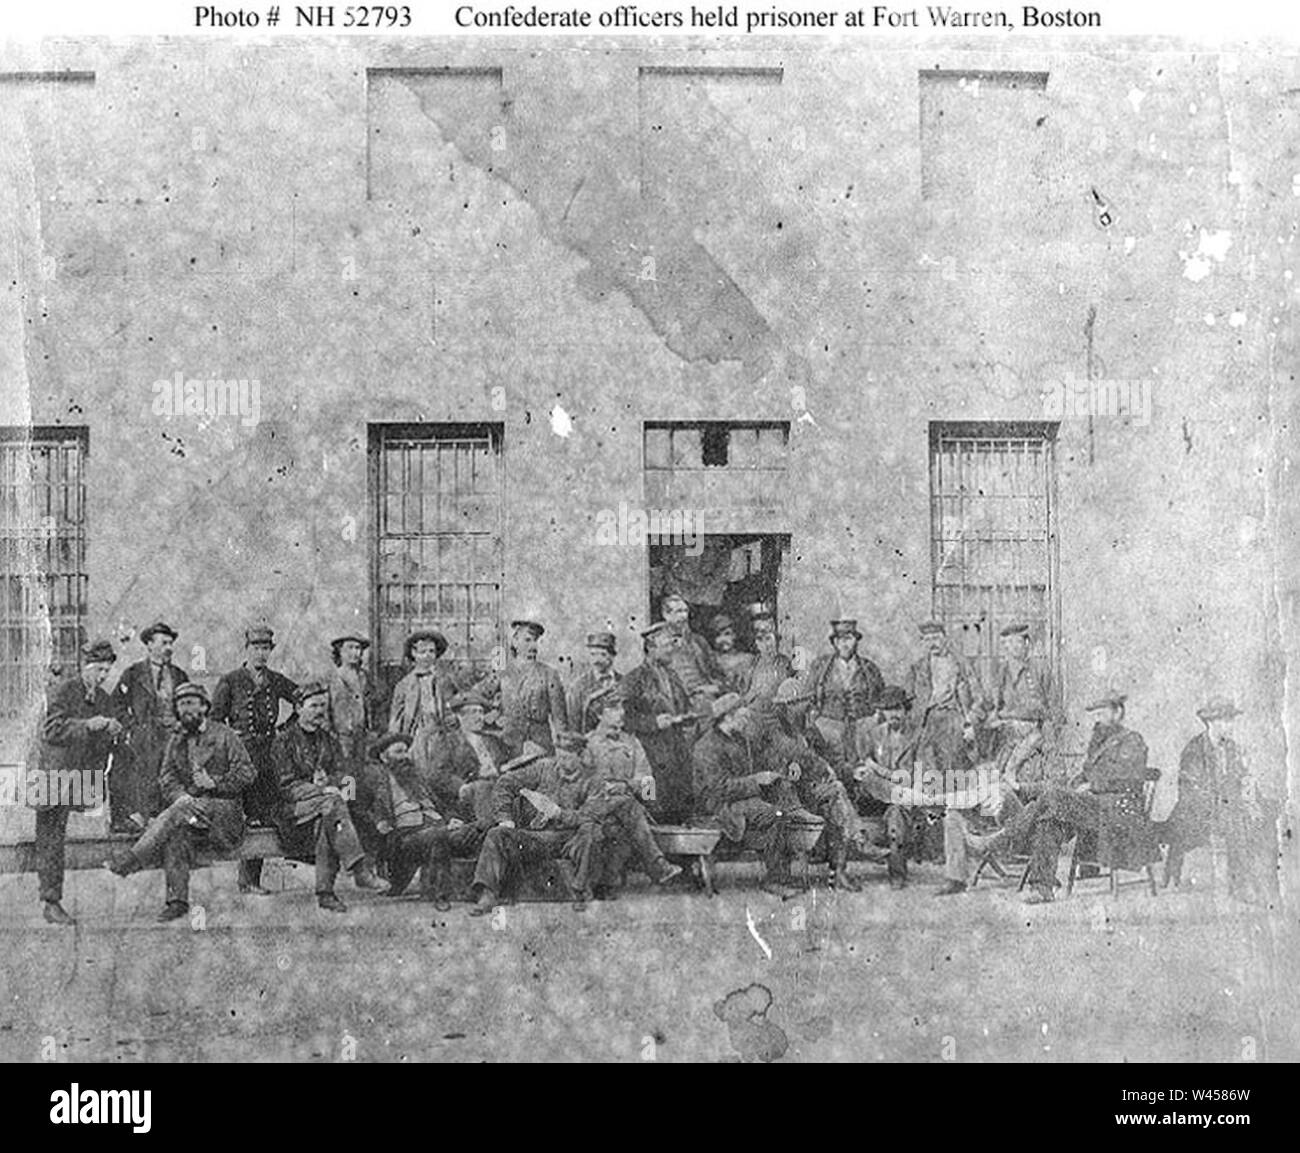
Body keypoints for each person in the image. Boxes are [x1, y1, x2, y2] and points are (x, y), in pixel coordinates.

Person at [107, 683, 255, 921]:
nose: (185, 709)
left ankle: (133, 859)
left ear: (204, 707)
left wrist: (215, 783)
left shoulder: (224, 735)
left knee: (179, 812)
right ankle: (177, 901)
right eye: (181, 705)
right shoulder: (177, 740)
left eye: (191, 703)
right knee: (176, 834)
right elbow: (166, 778)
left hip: (225, 815)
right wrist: (181, 796)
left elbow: (248, 772)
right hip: (191, 814)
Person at [990, 690, 1151, 904]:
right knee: (1050, 817)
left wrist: (1091, 785)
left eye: (1101, 712)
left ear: (1118, 712)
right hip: (1096, 806)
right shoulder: (1099, 741)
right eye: (1094, 714)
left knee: (1051, 797)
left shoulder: (1132, 741)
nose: (1096, 718)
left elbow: (1128, 778)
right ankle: (1042, 888)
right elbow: (1084, 774)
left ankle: (1005, 836)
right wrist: (1078, 785)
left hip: (1118, 809)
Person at [272, 681, 388, 912]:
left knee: (330, 820)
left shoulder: (329, 740)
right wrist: (320, 789)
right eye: (313, 706)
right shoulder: (283, 741)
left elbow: (345, 774)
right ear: (298, 708)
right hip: (292, 810)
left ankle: (326, 895)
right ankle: (360, 870)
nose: (319, 712)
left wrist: (340, 788)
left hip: (328, 809)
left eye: (323, 706)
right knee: (332, 805)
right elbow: (284, 786)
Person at [30, 640, 122, 925]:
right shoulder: (64, 690)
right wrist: (87, 725)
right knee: (50, 839)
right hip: (51, 773)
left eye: (107, 670)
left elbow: (101, 737)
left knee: (56, 836)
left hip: (77, 774)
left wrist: (113, 730)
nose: (104, 675)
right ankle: (51, 902)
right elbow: (51, 729)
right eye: (99, 670)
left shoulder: (104, 697)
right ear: (86, 667)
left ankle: (52, 899)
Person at [1160, 696, 1279, 904]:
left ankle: (1263, 881)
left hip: (1225, 807)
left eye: (1231, 720)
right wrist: (1224, 804)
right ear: (1211, 722)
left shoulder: (1232, 748)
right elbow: (1191, 790)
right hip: (1196, 812)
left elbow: (1242, 780)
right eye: (1226, 720)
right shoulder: (1194, 749)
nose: (1231, 725)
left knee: (1265, 816)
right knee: (1235, 822)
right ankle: (1241, 886)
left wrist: (1252, 798)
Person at [211, 625, 298, 895]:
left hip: (269, 753)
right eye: (256, 648)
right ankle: (245, 880)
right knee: (246, 813)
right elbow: (215, 720)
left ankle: (252, 879)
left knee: (263, 813)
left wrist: (286, 729)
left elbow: (301, 699)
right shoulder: (231, 680)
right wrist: (230, 742)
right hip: (242, 755)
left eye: (265, 649)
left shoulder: (275, 679)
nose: (261, 654)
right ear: (246, 650)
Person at [761, 677, 871, 890]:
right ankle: (858, 841)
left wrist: (851, 772)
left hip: (809, 792)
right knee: (835, 795)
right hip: (783, 795)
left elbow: (831, 762)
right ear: (785, 706)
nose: (803, 707)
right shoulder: (776, 732)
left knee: (836, 798)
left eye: (804, 702)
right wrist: (817, 768)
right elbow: (795, 756)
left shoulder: (810, 731)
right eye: (797, 703)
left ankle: (840, 871)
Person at [468, 744, 603, 914]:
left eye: (567, 758)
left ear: (580, 756)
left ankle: (579, 891)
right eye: (560, 757)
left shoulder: (592, 780)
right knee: (497, 834)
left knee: (589, 830)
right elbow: (505, 782)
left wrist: (559, 813)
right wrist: (505, 819)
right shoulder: (544, 768)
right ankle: (487, 895)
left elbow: (590, 815)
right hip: (536, 837)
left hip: (569, 839)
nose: (561, 763)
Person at [693, 693, 802, 899]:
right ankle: (774, 880)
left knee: (786, 805)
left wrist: (787, 765)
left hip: (742, 799)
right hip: (719, 806)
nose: (746, 722)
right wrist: (756, 780)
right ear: (727, 717)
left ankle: (782, 874)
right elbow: (718, 789)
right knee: (776, 815)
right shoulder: (707, 747)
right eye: (742, 717)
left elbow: (764, 760)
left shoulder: (739, 739)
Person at [579, 692, 683, 895]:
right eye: (614, 709)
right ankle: (657, 865)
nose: (622, 713)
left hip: (628, 814)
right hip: (596, 810)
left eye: (622, 708)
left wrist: (626, 787)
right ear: (599, 714)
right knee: (628, 807)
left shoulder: (632, 743)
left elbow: (649, 784)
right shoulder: (587, 744)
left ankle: (608, 882)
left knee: (628, 810)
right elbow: (581, 785)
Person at [112, 621, 188, 831]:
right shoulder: (133, 674)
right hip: (146, 738)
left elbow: (191, 704)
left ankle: (168, 825)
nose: (169, 648)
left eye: (171, 643)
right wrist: (132, 727)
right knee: (144, 782)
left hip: (173, 737)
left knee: (172, 781)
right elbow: (116, 704)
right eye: (164, 643)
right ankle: (143, 824)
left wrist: (183, 725)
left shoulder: (179, 675)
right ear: (149, 645)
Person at [622, 622, 698, 824]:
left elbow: (684, 705)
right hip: (649, 755)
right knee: (651, 801)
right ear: (651, 647)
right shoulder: (634, 679)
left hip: (676, 750)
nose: (672, 650)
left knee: (678, 803)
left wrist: (688, 716)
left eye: (673, 645)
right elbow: (622, 718)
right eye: (667, 646)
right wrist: (653, 722)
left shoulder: (673, 676)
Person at [852, 685, 925, 890]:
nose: (893, 714)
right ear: (882, 711)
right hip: (877, 797)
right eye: (888, 709)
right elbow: (863, 764)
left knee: (896, 815)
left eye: (897, 709)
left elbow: (918, 774)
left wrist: (881, 771)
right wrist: (873, 771)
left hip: (905, 792)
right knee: (867, 777)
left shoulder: (917, 736)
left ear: (905, 709)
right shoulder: (875, 734)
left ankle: (897, 874)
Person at [365, 733, 449, 901]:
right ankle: (434, 890)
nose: (405, 757)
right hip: (405, 836)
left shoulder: (417, 778)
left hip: (436, 825)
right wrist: (380, 822)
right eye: (398, 752)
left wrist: (451, 817)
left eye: (406, 752)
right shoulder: (377, 780)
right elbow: (366, 807)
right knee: (438, 836)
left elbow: (440, 805)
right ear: (384, 757)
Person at [977, 622, 1053, 787]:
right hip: (1008, 730)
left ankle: (1011, 771)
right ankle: (1008, 772)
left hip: (1034, 731)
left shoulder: (1039, 669)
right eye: (1009, 643)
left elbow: (1051, 702)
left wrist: (1049, 725)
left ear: (1026, 644)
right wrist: (974, 720)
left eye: (1018, 642)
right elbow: (989, 701)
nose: (1014, 647)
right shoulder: (1001, 672)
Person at [477, 619, 568, 756]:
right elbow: (474, 696)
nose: (533, 646)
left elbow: (560, 719)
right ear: (515, 641)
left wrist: (564, 751)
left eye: (535, 641)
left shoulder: (549, 674)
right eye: (527, 640)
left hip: (541, 746)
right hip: (509, 747)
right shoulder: (502, 673)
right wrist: (492, 714)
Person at [904, 620, 980, 777]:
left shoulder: (960, 664)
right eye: (928, 639)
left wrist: (970, 723)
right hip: (926, 721)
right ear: (923, 642)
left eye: (936, 638)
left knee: (954, 766)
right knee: (925, 765)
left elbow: (979, 698)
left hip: (953, 718)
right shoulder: (917, 669)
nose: (933, 643)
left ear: (945, 638)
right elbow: (909, 701)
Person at [806, 619, 885, 766]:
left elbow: (881, 702)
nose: (844, 644)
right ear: (835, 643)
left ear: (856, 641)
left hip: (862, 731)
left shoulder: (870, 669)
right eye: (839, 640)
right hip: (830, 731)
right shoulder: (820, 667)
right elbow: (808, 699)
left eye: (848, 639)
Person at [388, 628, 458, 755]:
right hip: (414, 736)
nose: (427, 656)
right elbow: (396, 719)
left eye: (431, 651)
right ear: (414, 653)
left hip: (440, 735)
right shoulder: (404, 685)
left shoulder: (444, 681)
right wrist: (395, 741)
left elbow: (454, 706)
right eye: (422, 651)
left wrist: (454, 718)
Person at [660, 593, 723, 707]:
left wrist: (715, 687)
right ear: (666, 614)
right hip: (677, 700)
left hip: (705, 695)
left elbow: (716, 671)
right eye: (679, 611)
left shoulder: (699, 641)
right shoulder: (658, 644)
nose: (684, 616)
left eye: (686, 611)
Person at [326, 633, 374, 774]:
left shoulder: (364, 677)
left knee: (360, 771)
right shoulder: (332, 678)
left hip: (361, 736)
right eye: (350, 648)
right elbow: (325, 710)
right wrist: (331, 734)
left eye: (358, 648)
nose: (355, 653)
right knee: (344, 772)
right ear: (340, 651)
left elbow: (371, 705)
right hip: (339, 737)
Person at [566, 631, 621, 735]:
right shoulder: (579, 687)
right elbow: (573, 726)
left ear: (613, 656)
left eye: (603, 655)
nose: (596, 660)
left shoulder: (624, 683)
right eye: (593, 654)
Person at [743, 605, 794, 707]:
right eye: (760, 639)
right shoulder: (753, 663)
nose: (766, 645)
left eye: (768, 639)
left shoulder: (784, 663)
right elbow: (747, 693)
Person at [710, 614, 756, 696]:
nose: (723, 639)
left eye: (727, 634)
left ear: (734, 635)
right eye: (718, 635)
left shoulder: (747, 658)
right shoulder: (712, 659)